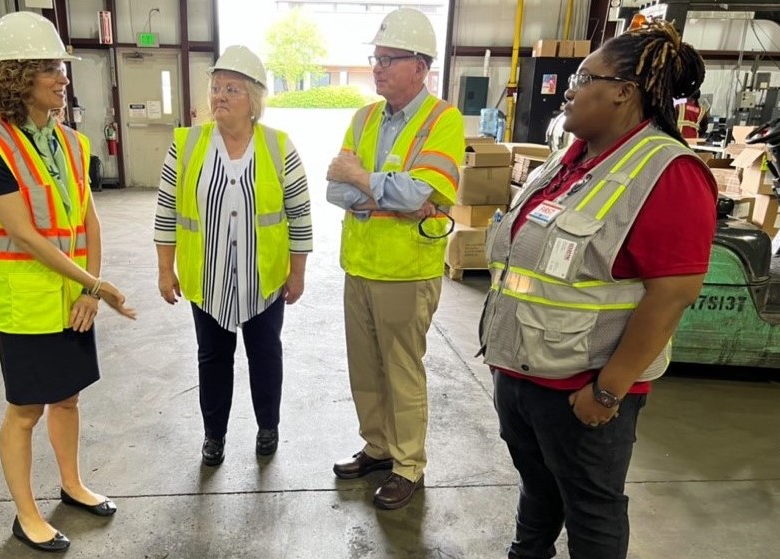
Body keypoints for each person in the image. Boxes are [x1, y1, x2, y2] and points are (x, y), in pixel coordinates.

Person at [480, 20, 716, 559]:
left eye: (584, 77)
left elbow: (671, 296)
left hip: (583, 386)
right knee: (538, 490)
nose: (569, 87)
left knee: (591, 507)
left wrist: (609, 390)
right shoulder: (571, 160)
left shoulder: (669, 173)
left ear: (624, 92)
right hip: (523, 369)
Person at [0, 11, 136, 553]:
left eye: (62, 67)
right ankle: (27, 515)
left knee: (68, 399)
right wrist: (99, 287)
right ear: (16, 78)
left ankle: (72, 484)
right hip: (27, 307)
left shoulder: (73, 144)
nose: (63, 78)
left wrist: (88, 289)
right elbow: (26, 235)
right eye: (50, 69)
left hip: (71, 302)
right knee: (26, 411)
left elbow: (89, 220)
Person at [325, 7, 464, 510]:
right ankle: (378, 448)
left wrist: (364, 180)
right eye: (376, 58)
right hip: (359, 265)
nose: (378, 68)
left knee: (402, 370)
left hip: (407, 270)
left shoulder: (442, 121)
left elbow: (417, 193)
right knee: (364, 368)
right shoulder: (362, 117)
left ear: (419, 67)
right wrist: (388, 194)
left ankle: (408, 465)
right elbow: (334, 190)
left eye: (389, 59)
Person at [154, 45, 312, 467]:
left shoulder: (279, 146)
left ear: (254, 101)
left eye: (232, 89)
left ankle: (268, 427)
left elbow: (299, 214)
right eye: (216, 87)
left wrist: (298, 274)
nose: (219, 96)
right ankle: (214, 436)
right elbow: (167, 209)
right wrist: (164, 269)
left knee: (266, 355)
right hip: (206, 280)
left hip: (264, 279)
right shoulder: (187, 144)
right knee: (212, 359)